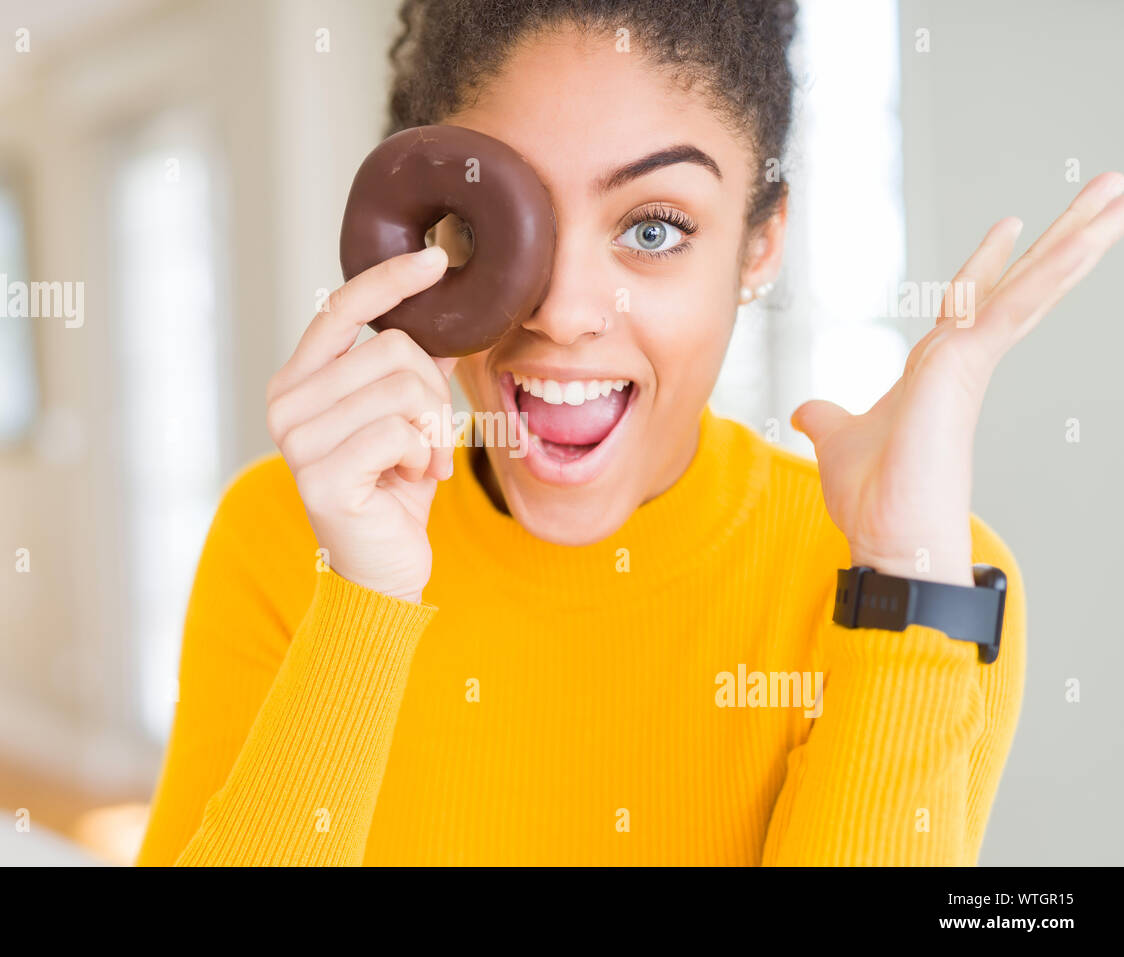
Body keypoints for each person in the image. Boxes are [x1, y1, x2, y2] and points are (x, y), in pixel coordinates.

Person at [136, 0, 1124, 865]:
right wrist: (364, 603)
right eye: (488, 230)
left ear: (760, 242)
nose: (562, 310)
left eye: (652, 228)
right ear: (428, 231)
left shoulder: (926, 586)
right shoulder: (283, 538)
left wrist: (905, 585)